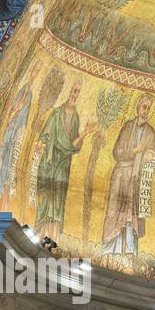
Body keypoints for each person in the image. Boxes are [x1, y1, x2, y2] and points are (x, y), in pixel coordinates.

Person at [100, 94, 155, 259]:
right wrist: (132, 152)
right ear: (138, 107)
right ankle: (111, 252)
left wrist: (149, 154)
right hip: (121, 175)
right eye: (143, 107)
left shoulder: (150, 132)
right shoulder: (127, 126)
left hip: (136, 179)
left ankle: (129, 254)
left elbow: (153, 153)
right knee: (115, 213)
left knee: (131, 218)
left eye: (148, 108)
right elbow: (116, 152)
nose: (145, 111)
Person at [35, 84, 94, 238]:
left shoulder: (75, 118)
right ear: (69, 92)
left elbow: (72, 145)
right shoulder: (56, 114)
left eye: (79, 92)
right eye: (74, 90)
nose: (76, 94)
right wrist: (41, 141)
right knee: (46, 197)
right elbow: (45, 133)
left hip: (63, 165)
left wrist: (84, 134)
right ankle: (40, 234)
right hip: (51, 161)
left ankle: (52, 238)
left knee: (58, 198)